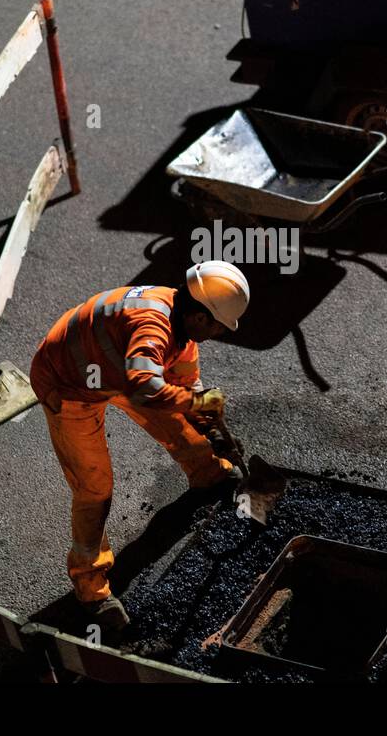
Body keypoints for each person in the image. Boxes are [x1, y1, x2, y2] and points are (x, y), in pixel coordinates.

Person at [28, 261, 250, 630]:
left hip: (116, 369)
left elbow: (184, 385)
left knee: (180, 421)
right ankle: (90, 587)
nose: (219, 335)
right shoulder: (152, 325)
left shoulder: (180, 324)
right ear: (199, 317)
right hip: (67, 382)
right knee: (94, 488)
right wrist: (197, 403)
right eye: (219, 327)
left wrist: (208, 423)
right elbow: (145, 386)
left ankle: (210, 475)